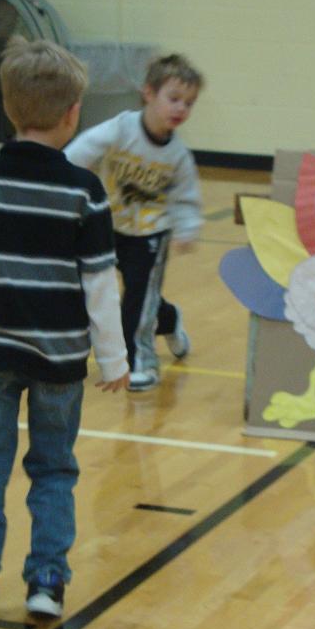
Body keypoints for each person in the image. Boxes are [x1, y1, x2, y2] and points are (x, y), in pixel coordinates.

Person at [0, 37, 129, 629]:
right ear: (73, 115)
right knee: (54, 470)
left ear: (10, 110)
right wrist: (114, 361)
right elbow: (100, 288)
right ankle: (46, 583)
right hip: (61, 359)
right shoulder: (84, 192)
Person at [64, 54, 204, 392]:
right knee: (109, 291)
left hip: (151, 233)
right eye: (174, 99)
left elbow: (185, 197)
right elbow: (82, 150)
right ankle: (169, 319)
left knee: (138, 298)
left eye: (188, 103)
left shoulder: (178, 155)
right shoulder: (121, 128)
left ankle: (140, 360)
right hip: (109, 225)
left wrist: (186, 229)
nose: (180, 109)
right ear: (148, 93)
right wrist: (60, 173)